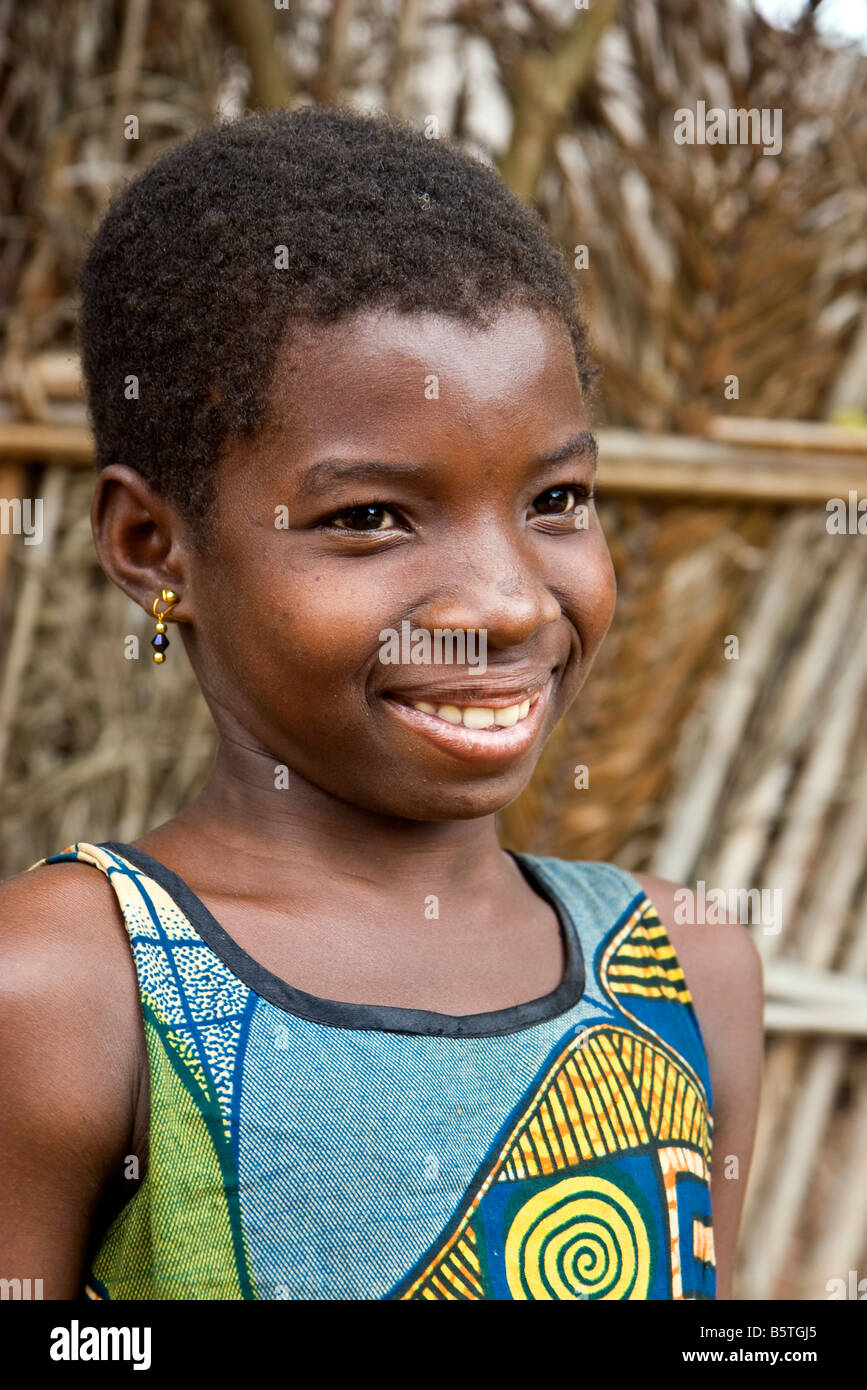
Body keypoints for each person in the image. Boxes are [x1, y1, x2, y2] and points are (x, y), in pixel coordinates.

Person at [0, 105, 763, 1301]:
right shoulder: (64, 987)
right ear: (154, 545)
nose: (509, 604)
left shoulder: (684, 966)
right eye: (369, 518)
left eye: (555, 499)